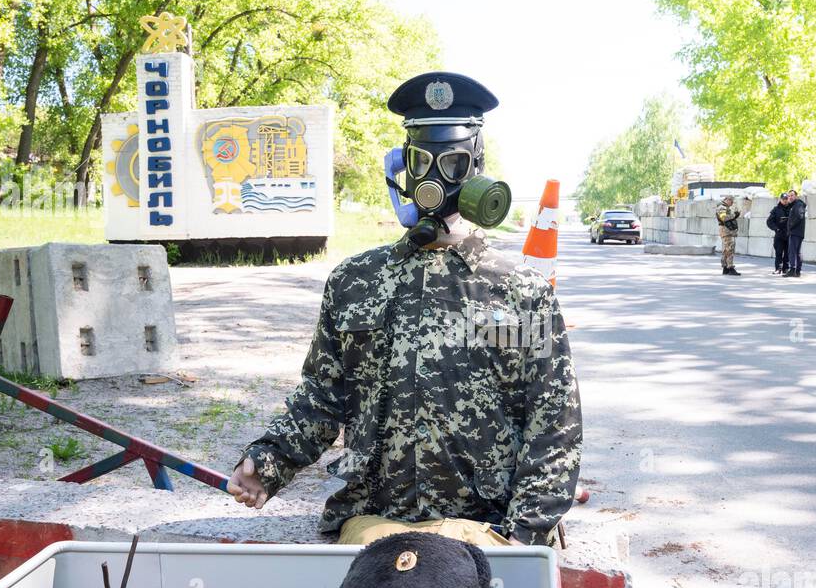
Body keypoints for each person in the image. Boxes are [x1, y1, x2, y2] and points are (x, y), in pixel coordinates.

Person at [226, 71, 583, 549]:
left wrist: (524, 533)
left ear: (478, 169)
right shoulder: (355, 281)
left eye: (454, 162)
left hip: (485, 528)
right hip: (374, 519)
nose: (437, 178)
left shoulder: (519, 291)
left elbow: (552, 421)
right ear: (403, 166)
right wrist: (266, 462)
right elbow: (322, 397)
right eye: (423, 160)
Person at [716, 194, 741, 276]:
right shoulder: (722, 207)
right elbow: (724, 218)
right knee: (729, 249)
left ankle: (725, 268)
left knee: (726, 249)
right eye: (731, 201)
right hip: (725, 230)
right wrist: (734, 215)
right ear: (727, 200)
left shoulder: (725, 208)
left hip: (727, 230)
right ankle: (730, 268)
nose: (732, 203)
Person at [766, 192, 791, 274]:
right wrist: (776, 228)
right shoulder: (776, 209)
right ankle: (778, 269)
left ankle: (786, 269)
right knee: (779, 252)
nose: (785, 201)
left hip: (789, 234)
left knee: (787, 253)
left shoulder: (791, 208)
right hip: (779, 234)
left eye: (786, 199)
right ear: (780, 199)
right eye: (783, 199)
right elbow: (769, 221)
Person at [784, 189, 807, 277]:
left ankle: (793, 269)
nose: (790, 197)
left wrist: (790, 226)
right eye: (789, 196)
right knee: (797, 252)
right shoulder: (794, 205)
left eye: (792, 195)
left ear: (796, 196)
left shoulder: (798, 205)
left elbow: (799, 216)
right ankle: (797, 271)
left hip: (796, 232)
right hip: (796, 232)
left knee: (793, 251)